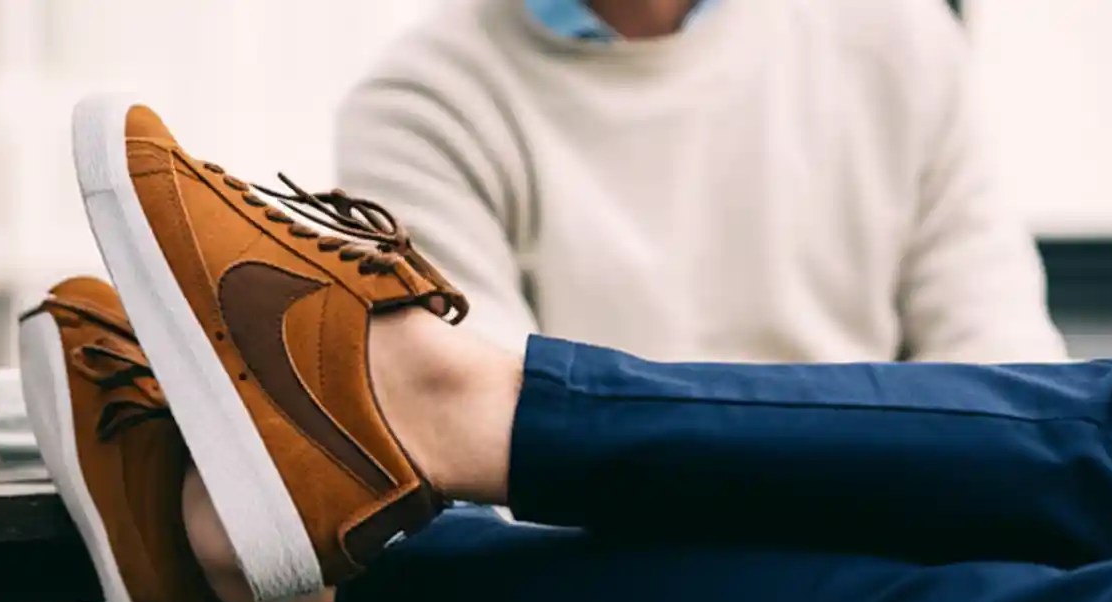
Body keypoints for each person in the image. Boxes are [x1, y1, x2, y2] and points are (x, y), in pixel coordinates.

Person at [22, 96, 1112, 602]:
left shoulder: (890, 45)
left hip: (777, 499)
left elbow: (990, 334)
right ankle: (423, 431)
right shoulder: (436, 85)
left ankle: (335, 538)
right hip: (673, 494)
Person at [336, 0, 1068, 364]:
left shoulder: (896, 33)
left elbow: (1004, 371)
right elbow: (482, 446)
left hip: (899, 582)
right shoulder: (420, 106)